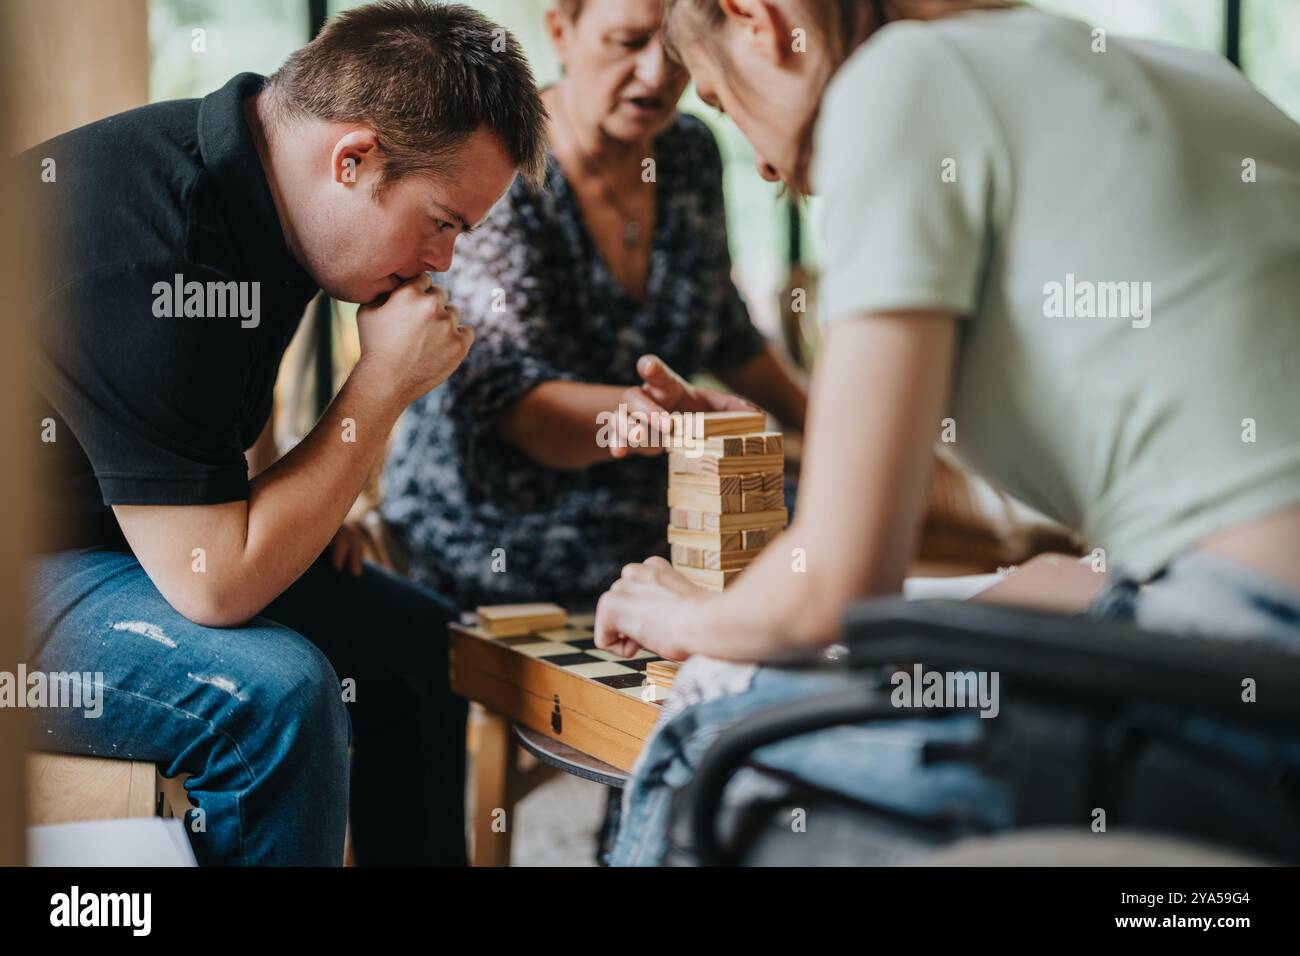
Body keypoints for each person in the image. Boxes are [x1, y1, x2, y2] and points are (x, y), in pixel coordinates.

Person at [592, 0, 1300, 864]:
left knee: (705, 737)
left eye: (720, 98)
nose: (769, 168)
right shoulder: (1192, 78)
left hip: (1249, 674)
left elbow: (837, 591)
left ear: (759, 19)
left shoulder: (899, 79)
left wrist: (690, 618)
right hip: (1236, 617)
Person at [24, 0, 547, 865]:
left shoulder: (272, 192)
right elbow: (215, 585)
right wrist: (381, 386)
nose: (445, 260)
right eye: (445, 221)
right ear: (354, 158)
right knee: (274, 695)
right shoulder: (158, 249)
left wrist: (298, 512)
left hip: (117, 534)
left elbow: (223, 415)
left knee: (420, 646)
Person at [377, 0, 807, 611]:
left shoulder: (687, 152)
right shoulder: (503, 166)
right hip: (501, 524)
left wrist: (826, 427)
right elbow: (518, 411)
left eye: (675, 47)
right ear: (562, 32)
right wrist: (642, 416)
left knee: (809, 531)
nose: (657, 75)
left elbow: (724, 330)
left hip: (651, 506)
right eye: (627, 42)